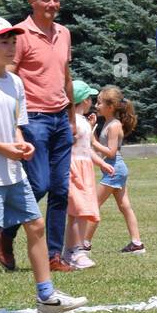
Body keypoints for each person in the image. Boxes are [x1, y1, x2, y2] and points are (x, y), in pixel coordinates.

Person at [0, 18, 88, 313]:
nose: (11, 47)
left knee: (36, 226)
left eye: (13, 41)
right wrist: (5, 149)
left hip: (13, 171)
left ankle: (46, 295)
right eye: (3, 42)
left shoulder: (14, 82)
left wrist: (19, 144)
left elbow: (15, 125)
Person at [1, 0, 74, 272]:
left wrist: (71, 115)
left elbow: (65, 74)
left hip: (60, 119)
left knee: (61, 190)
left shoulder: (64, 33)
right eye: (46, 0)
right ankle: (5, 233)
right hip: (33, 119)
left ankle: (54, 255)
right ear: (32, 2)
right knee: (39, 184)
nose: (52, 5)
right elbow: (8, 76)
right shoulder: (21, 34)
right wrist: (10, 120)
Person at [91, 86, 145, 255]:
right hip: (115, 168)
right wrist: (92, 127)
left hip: (114, 169)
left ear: (111, 106)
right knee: (124, 206)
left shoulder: (114, 125)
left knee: (93, 205)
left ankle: (84, 243)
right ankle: (137, 243)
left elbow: (111, 152)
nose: (96, 105)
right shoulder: (107, 123)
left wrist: (92, 141)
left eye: (99, 102)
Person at [62, 80, 102, 269]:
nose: (91, 102)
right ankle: (74, 251)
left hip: (84, 170)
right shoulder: (74, 122)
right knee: (78, 213)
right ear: (84, 100)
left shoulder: (82, 121)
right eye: (90, 98)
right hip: (75, 170)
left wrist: (101, 163)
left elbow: (86, 148)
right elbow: (70, 147)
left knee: (81, 213)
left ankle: (74, 250)